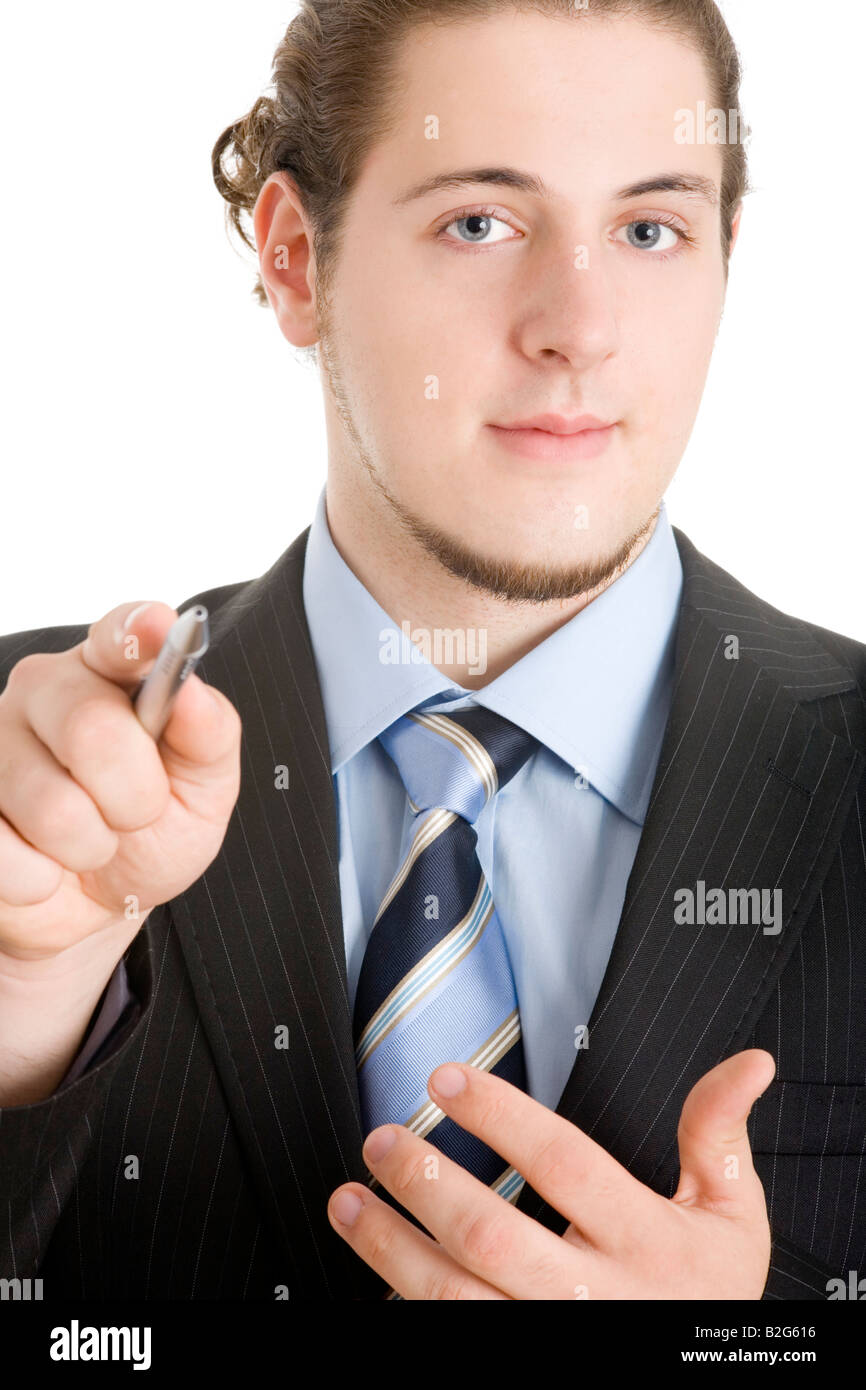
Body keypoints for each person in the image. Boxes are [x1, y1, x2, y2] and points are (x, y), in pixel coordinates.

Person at [1, 0, 863, 1302]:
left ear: (723, 256)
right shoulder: (25, 784)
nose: (580, 326)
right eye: (480, 220)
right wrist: (22, 1006)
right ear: (294, 260)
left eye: (648, 228)